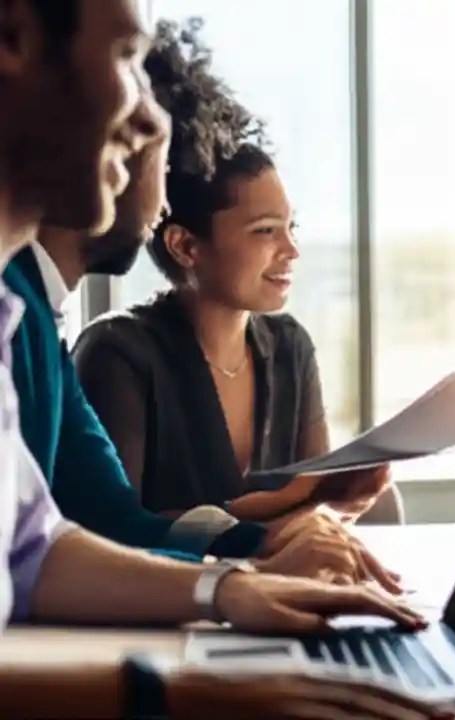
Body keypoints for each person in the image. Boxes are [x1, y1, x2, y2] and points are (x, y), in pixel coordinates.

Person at [0, 1, 450, 717]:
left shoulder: (25, 313)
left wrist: (241, 578)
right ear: (16, 39)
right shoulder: (106, 345)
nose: (149, 126)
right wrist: (180, 690)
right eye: (124, 59)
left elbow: (45, 545)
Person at [73, 18, 398, 529]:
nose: (291, 249)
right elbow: (118, 530)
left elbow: (314, 510)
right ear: (184, 245)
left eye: (291, 226)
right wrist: (302, 499)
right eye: (266, 231)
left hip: (275, 595)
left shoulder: (290, 344)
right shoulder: (118, 354)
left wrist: (337, 502)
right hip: (165, 605)